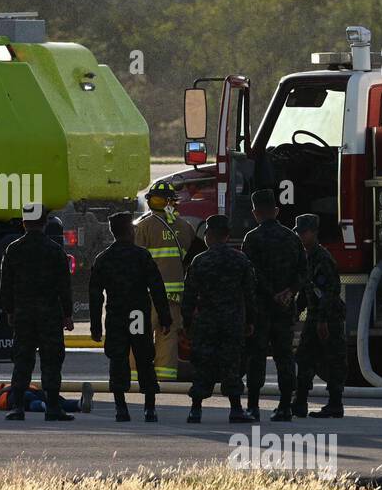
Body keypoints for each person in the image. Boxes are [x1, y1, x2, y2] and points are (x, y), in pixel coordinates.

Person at [89, 210, 172, 422]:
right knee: (144, 358)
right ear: (130, 231)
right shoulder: (142, 256)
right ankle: (150, 408)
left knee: (118, 360)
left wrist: (96, 327)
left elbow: (95, 295)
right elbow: (157, 288)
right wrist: (165, 318)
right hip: (137, 316)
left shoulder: (104, 259)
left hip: (116, 317)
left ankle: (121, 408)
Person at [0, 202, 75, 422]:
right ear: (44, 223)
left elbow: (5, 285)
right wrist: (67, 314)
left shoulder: (13, 249)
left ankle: (17, 407)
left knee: (23, 359)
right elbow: (64, 286)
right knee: (52, 360)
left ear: (24, 223)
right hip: (50, 314)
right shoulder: (54, 250)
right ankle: (52, 408)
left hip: (23, 315)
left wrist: (9, 310)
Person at [181, 215, 257, 423]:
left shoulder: (200, 261)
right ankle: (235, 409)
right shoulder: (240, 260)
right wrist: (250, 321)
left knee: (203, 365)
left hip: (206, 323)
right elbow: (250, 294)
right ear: (227, 235)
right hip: (232, 322)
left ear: (209, 236)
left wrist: (187, 323)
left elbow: (188, 296)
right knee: (231, 365)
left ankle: (195, 410)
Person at [242, 189, 306, 422]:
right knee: (285, 357)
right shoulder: (292, 237)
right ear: (276, 211)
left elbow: (250, 274)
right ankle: (285, 406)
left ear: (255, 213)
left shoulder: (252, 238)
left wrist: (271, 294)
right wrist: (289, 292)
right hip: (285, 308)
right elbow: (303, 272)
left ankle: (253, 406)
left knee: (256, 357)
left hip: (261, 309)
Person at [133, 181, 193, 384]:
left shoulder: (142, 227)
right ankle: (165, 378)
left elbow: (135, 262)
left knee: (140, 334)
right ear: (173, 202)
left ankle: (136, 376)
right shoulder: (185, 227)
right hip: (174, 296)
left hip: (147, 294)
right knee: (168, 336)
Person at [294, 213, 348, 418]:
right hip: (315, 315)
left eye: (304, 232)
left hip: (329, 316)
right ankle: (299, 402)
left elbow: (330, 292)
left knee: (334, 359)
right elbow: (305, 288)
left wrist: (323, 320)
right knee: (304, 357)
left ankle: (335, 403)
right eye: (298, 232)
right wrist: (296, 311)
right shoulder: (305, 256)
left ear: (314, 233)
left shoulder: (322, 258)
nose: (300, 236)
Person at [0, 381, 92, 414]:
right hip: (11, 397)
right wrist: (3, 391)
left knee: (54, 399)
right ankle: (45, 406)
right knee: (30, 400)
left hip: (27, 388)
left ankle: (79, 404)